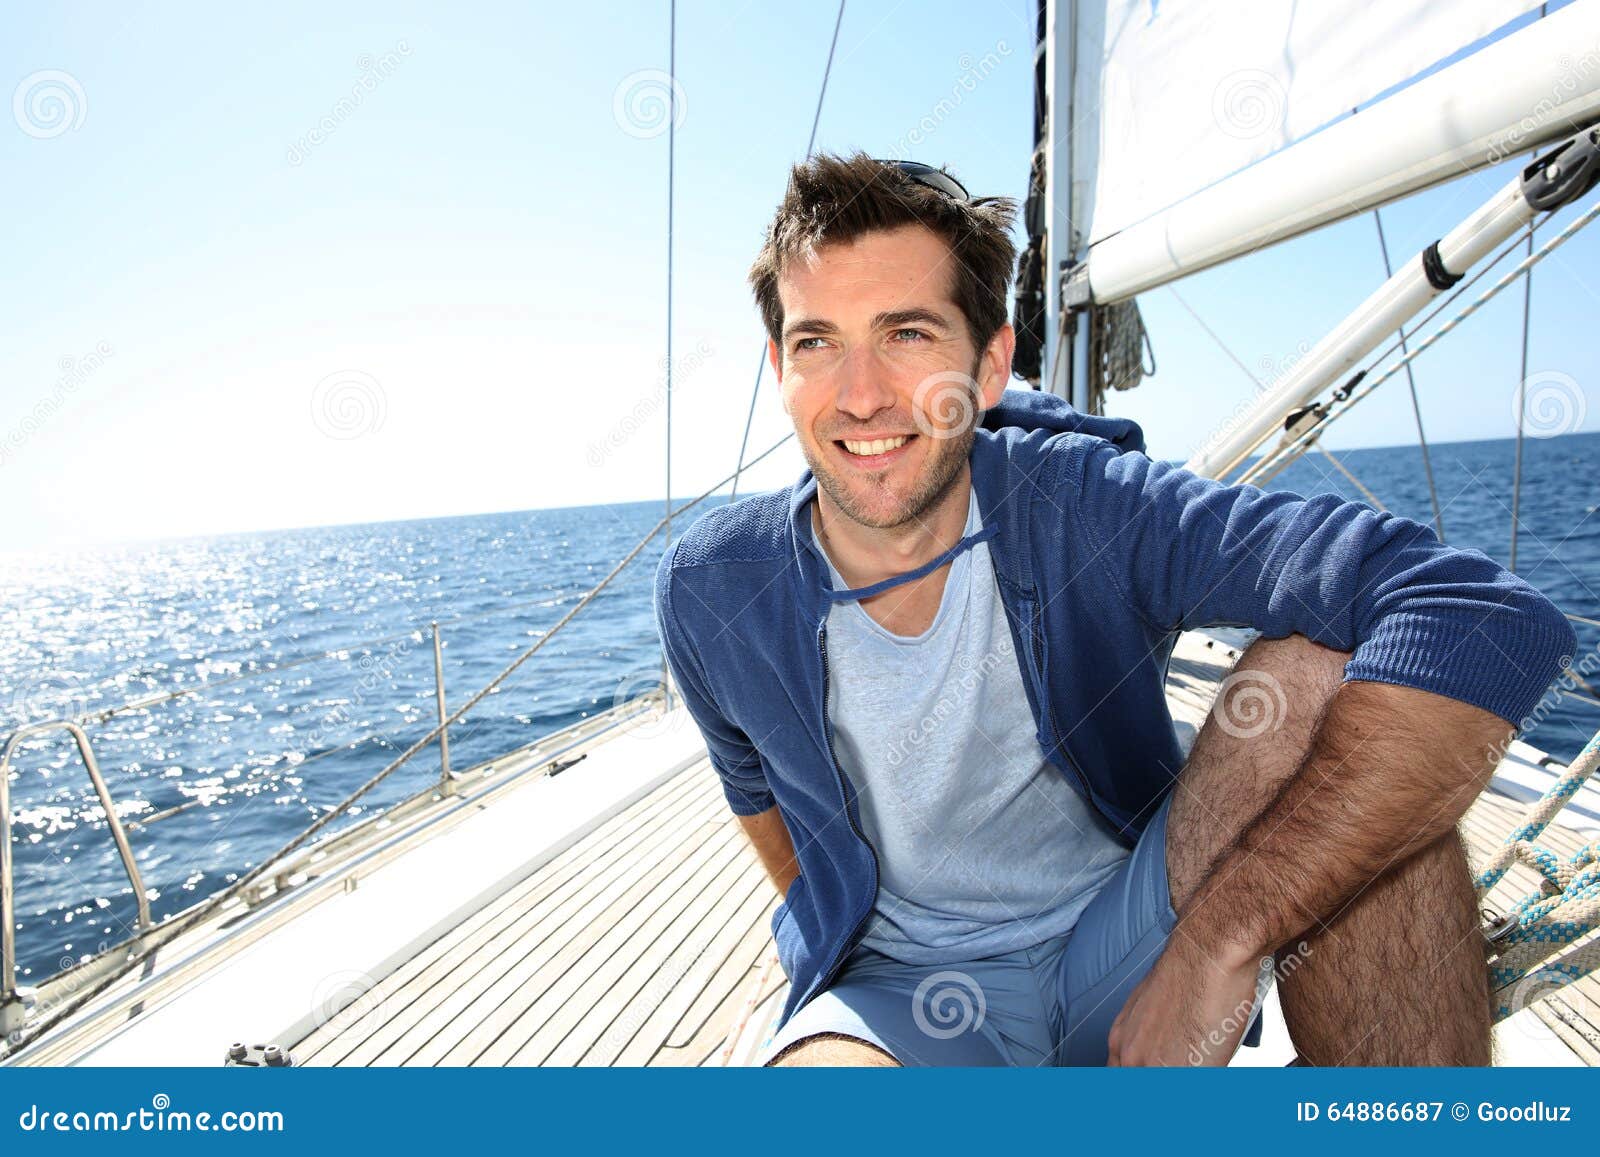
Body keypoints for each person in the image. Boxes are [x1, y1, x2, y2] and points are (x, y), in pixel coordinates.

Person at [652, 153, 1576, 1066]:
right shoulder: (713, 588)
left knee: (1326, 693)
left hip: (1130, 943)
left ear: (990, 365)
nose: (860, 395)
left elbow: (1477, 613)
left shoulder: (1087, 507)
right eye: (819, 341)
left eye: (907, 334)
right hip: (904, 994)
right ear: (779, 366)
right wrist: (825, 980)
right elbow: (766, 809)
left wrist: (1221, 942)